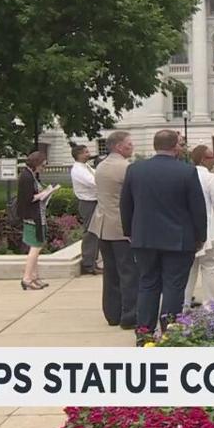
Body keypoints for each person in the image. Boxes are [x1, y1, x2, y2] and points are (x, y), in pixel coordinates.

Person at [121, 130, 206, 334]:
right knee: (174, 286)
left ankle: (144, 331)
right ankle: (169, 331)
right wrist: (200, 236)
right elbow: (198, 208)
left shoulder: (135, 170)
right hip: (178, 239)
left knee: (147, 284)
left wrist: (129, 231)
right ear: (175, 146)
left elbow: (125, 204)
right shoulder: (187, 171)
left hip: (144, 238)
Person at [89, 131, 138, 328]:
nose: (132, 146)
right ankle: (129, 315)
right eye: (129, 144)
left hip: (102, 225)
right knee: (128, 272)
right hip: (120, 226)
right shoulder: (125, 168)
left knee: (111, 272)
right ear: (119, 146)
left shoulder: (101, 166)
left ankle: (112, 313)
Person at [184, 145, 214, 308]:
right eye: (211, 157)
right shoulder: (210, 177)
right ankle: (209, 303)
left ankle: (185, 302)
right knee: (209, 266)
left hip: (190, 228)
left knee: (190, 268)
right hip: (209, 228)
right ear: (203, 159)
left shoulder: (186, 174)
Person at [17, 151, 59, 290]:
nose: (44, 168)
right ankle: (27, 278)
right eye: (43, 165)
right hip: (32, 217)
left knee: (36, 246)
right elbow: (28, 198)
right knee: (35, 247)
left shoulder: (31, 176)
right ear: (36, 163)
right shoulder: (27, 177)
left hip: (37, 215)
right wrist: (44, 193)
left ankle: (34, 277)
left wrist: (46, 193)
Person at [70, 144, 101, 275]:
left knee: (96, 232)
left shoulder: (86, 167)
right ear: (79, 155)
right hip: (87, 203)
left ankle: (93, 261)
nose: (89, 154)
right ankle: (88, 264)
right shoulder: (78, 170)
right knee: (90, 232)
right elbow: (94, 182)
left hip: (94, 201)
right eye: (86, 152)